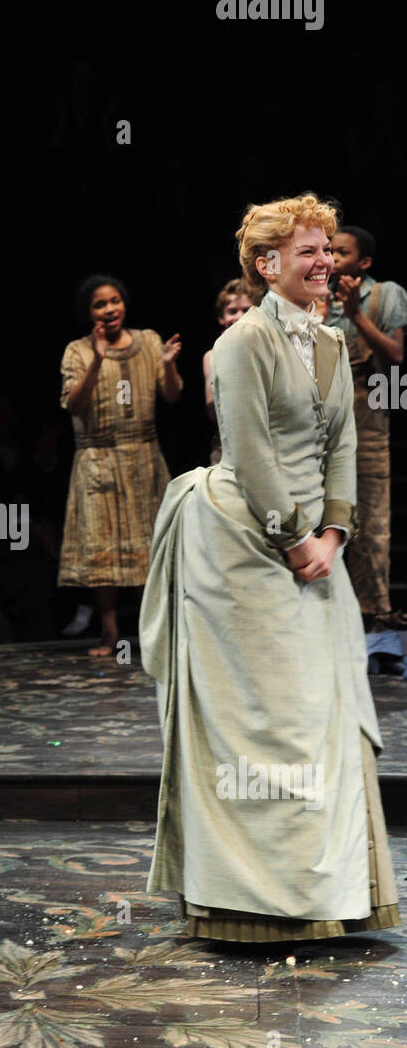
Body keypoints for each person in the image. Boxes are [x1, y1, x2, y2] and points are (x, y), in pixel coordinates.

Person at [139, 193, 400, 942]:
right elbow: (249, 449)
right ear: (267, 264)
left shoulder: (328, 341)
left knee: (321, 712)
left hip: (314, 545)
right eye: (311, 251)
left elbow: (345, 443)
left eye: (330, 249)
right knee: (261, 723)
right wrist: (294, 540)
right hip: (240, 544)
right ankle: (249, 905)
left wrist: (338, 533)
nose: (327, 262)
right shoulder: (246, 341)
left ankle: (326, 891)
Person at [58, 275, 182, 656]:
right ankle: (110, 633)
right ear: (89, 312)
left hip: (143, 457)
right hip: (98, 458)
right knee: (103, 547)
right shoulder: (77, 351)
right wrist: (97, 359)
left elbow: (172, 397)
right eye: (100, 304)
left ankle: (153, 631)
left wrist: (170, 365)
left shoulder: (148, 341)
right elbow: (74, 406)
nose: (109, 309)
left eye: (115, 301)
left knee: (150, 545)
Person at [328, 225, 407, 634]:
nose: (333, 258)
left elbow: (395, 357)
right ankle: (326, 611)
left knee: (371, 520)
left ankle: (373, 613)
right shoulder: (315, 297)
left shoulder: (385, 294)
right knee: (323, 515)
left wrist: (356, 314)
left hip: (370, 407)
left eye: (341, 252)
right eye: (328, 251)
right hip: (320, 418)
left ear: (364, 261)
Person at [202, 279, 252, 465]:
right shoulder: (212, 356)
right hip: (228, 448)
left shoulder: (269, 350)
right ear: (221, 318)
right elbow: (212, 408)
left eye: (246, 310)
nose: (239, 316)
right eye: (232, 311)